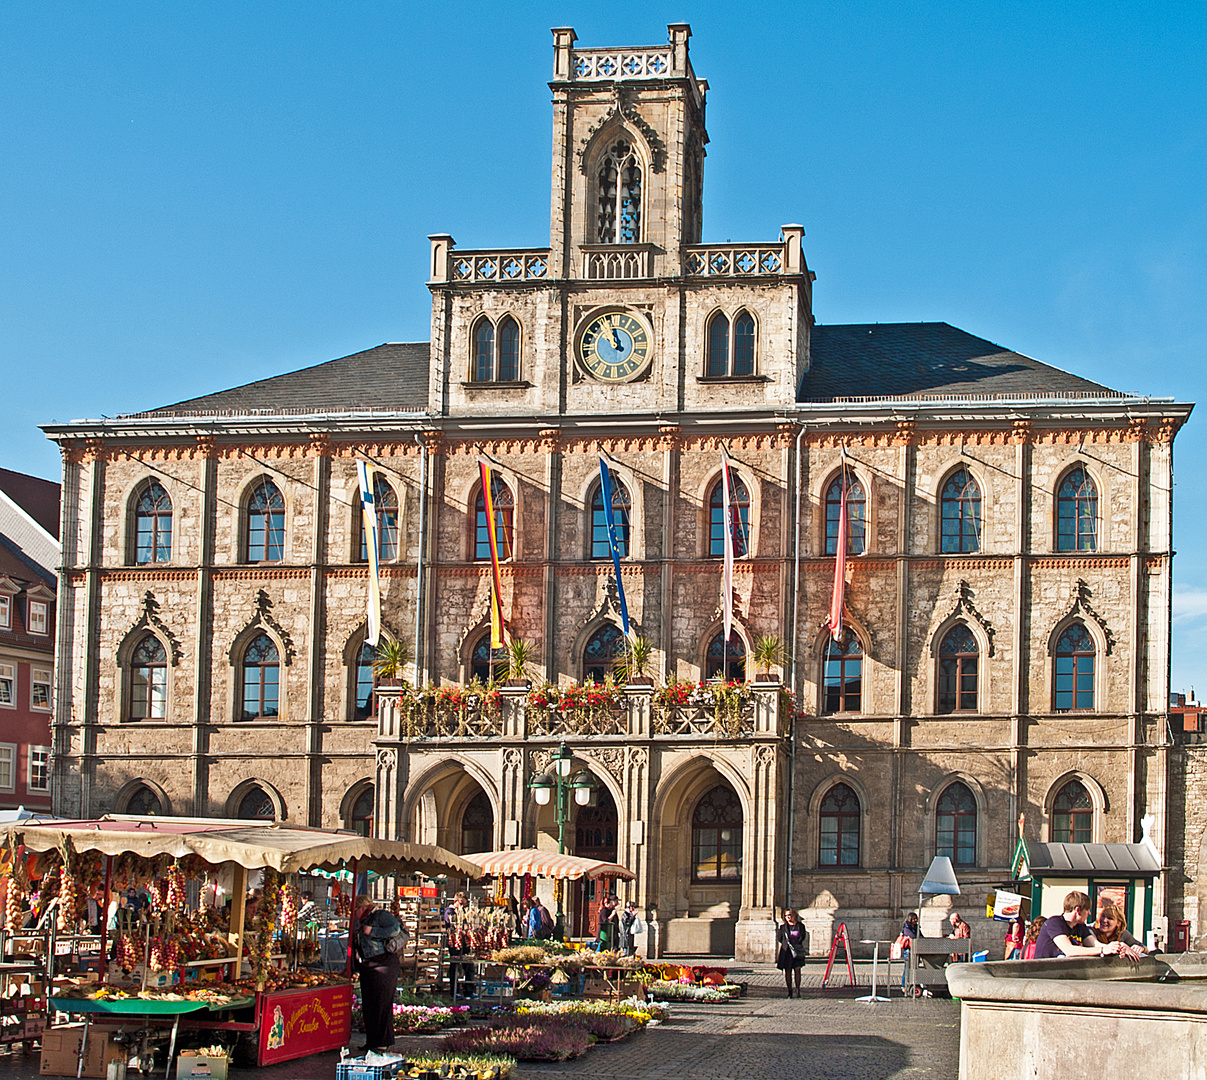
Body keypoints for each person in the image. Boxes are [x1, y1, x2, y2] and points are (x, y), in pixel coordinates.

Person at [353, 894, 405, 1052]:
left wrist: (372, 931)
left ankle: (381, 1043)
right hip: (369, 965)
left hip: (384, 964)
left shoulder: (380, 915)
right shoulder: (363, 921)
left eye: (354, 910)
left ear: (362, 907)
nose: (353, 914)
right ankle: (372, 1041)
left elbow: (394, 929)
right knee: (369, 1005)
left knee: (381, 1003)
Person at [1032, 891, 1127, 960]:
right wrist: (1103, 950)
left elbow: (1095, 945)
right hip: (1043, 978)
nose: (1089, 913)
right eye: (1087, 910)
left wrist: (1117, 948)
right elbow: (1069, 950)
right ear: (1077, 910)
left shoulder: (1080, 927)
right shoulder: (1054, 923)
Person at [776, 908, 808, 997]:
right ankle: (789, 990)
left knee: (797, 970)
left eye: (789, 915)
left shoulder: (800, 926)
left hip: (797, 951)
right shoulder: (783, 927)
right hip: (787, 952)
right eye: (786, 915)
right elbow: (780, 938)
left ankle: (797, 989)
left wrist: (796, 943)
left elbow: (803, 936)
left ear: (794, 915)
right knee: (788, 971)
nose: (788, 917)